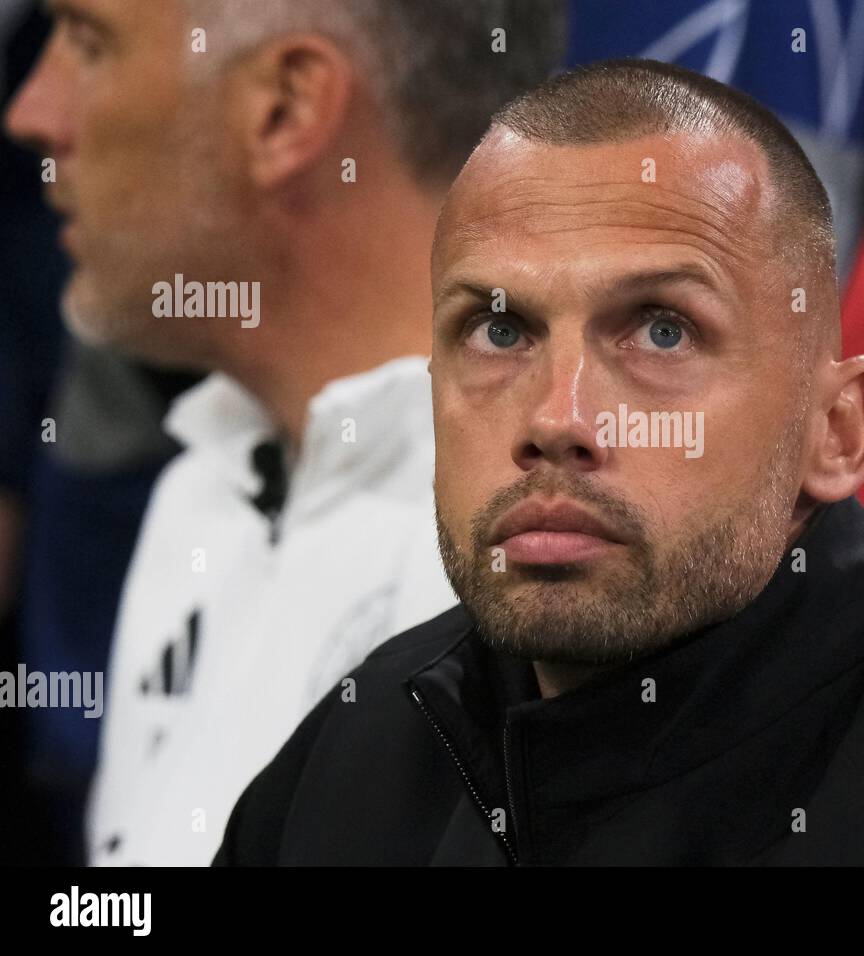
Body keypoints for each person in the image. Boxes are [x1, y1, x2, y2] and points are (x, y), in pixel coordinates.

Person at [214, 58, 864, 866]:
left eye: (663, 331)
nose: (557, 419)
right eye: (500, 329)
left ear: (836, 429)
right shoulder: (368, 743)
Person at [3, 0, 564, 866]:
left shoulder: (552, 558)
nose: (30, 112)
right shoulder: (203, 490)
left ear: (287, 109)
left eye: (88, 41)